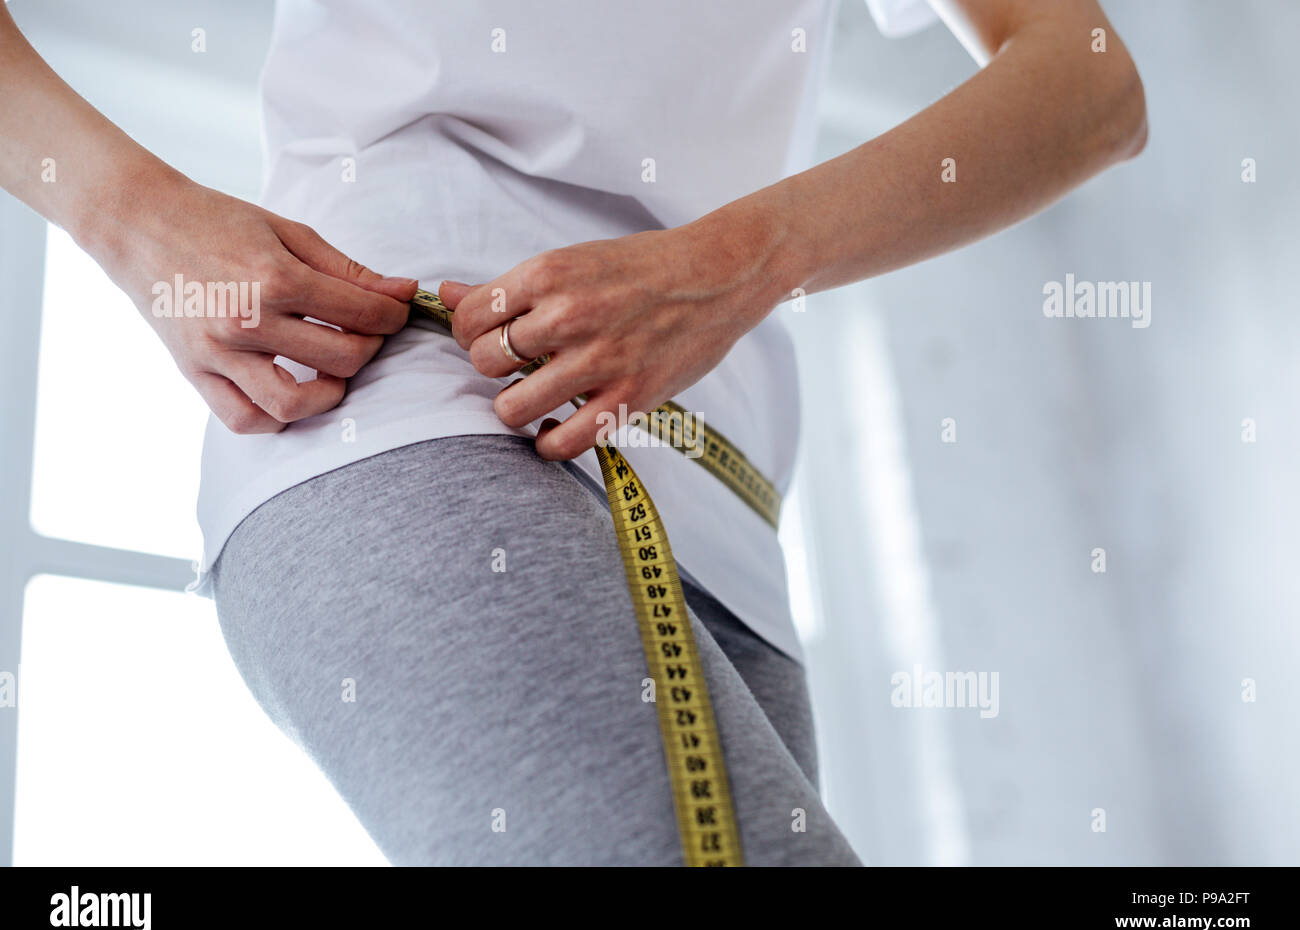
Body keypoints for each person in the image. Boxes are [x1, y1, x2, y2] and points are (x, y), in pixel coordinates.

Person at [0, 0, 1146, 865]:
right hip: (410, 400)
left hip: (726, 500)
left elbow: (1090, 86)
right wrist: (130, 215)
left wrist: (738, 262)